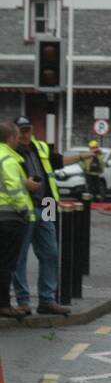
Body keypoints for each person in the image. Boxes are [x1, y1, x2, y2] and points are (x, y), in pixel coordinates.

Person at [13, 116, 93, 316]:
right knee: (20, 256)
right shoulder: (8, 151)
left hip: (47, 204)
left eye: (28, 129)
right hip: (25, 207)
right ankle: (23, 301)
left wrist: (83, 156)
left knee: (50, 253)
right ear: (14, 132)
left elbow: (59, 161)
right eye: (21, 130)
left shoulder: (40, 147)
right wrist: (25, 184)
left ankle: (47, 300)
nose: (25, 134)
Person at [0, 122, 39, 319]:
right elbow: (13, 189)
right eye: (18, 135)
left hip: (46, 204)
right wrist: (24, 211)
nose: (21, 137)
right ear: (10, 138)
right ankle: (5, 305)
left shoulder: (34, 151)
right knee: (8, 263)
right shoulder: (8, 158)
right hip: (11, 216)